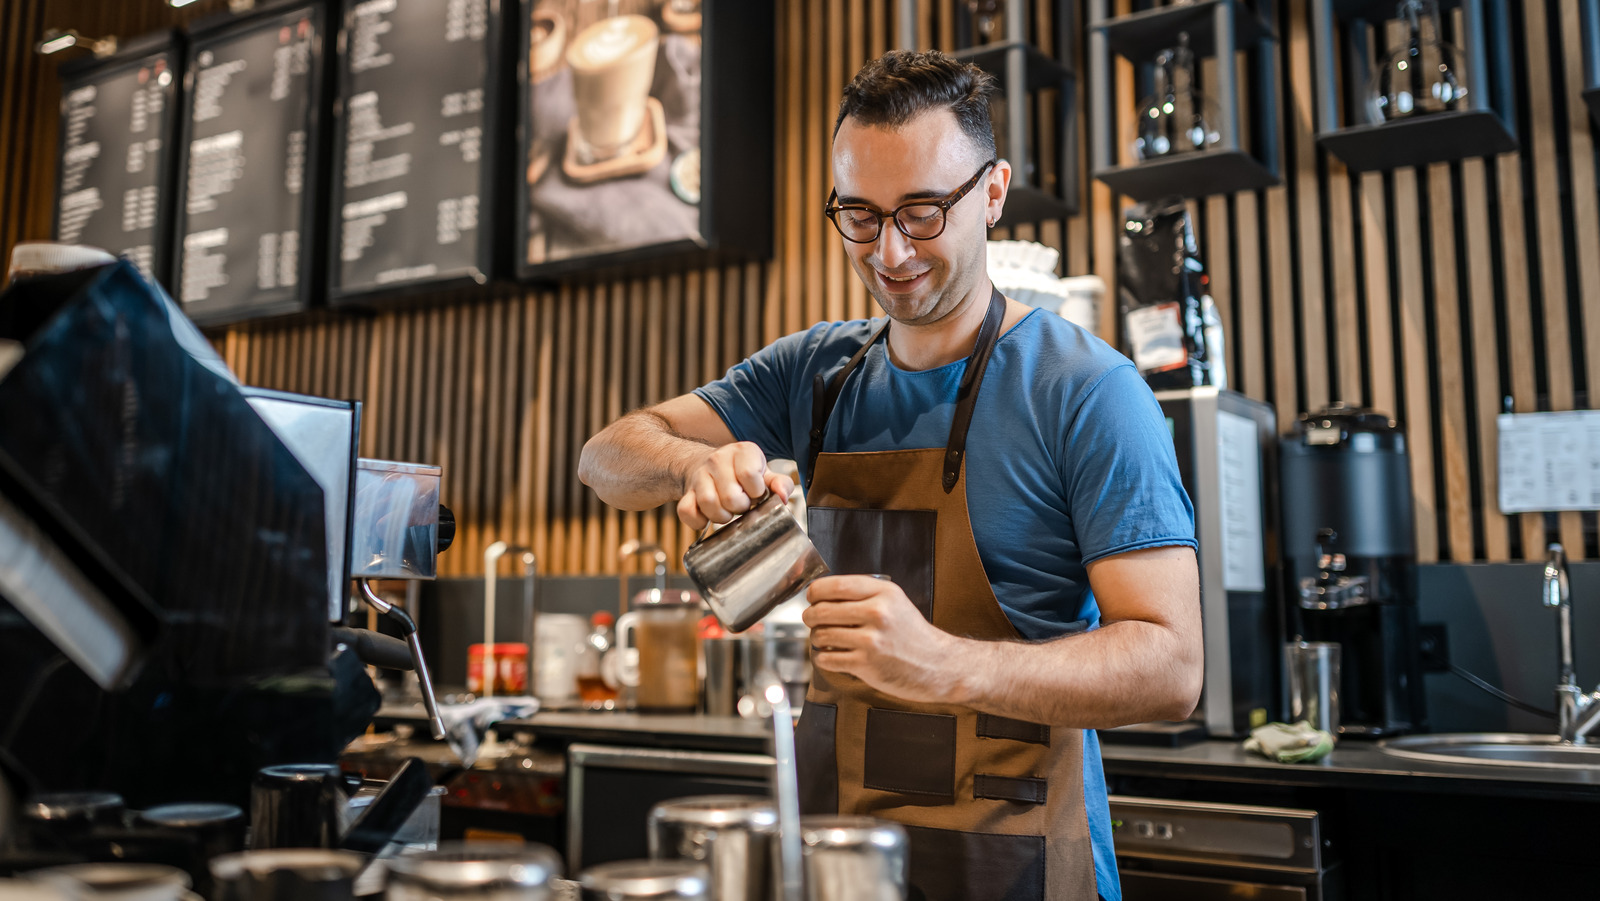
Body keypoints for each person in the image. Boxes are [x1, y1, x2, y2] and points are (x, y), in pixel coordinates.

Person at [580, 49, 1202, 901]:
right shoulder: (813, 371)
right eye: (860, 217)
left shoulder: (1087, 391)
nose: (891, 251)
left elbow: (1172, 668)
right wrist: (697, 460)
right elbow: (607, 457)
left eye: (922, 211)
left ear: (992, 192)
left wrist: (946, 665)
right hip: (837, 868)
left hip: (1016, 864)